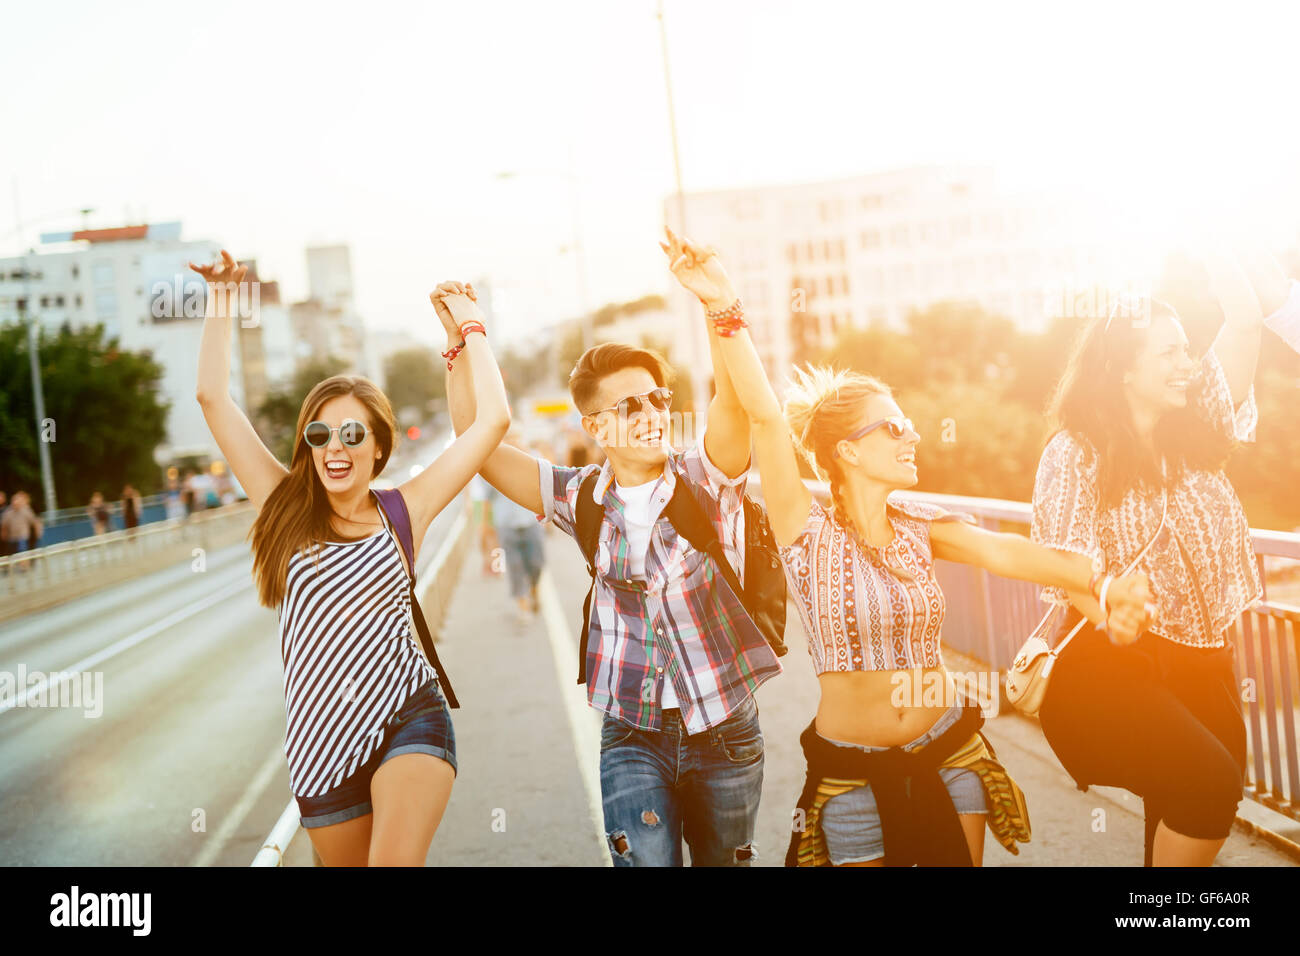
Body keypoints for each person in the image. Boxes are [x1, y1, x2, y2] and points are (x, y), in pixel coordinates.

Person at [659, 227, 1153, 867]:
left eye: (911, 424)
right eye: (894, 426)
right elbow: (764, 418)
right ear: (847, 451)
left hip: (950, 754)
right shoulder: (804, 530)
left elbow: (1008, 553)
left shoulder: (923, 524)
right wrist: (721, 306)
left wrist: (1105, 584)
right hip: (850, 776)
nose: (912, 435)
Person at [191, 250, 510, 866]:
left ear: (379, 446)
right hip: (320, 749)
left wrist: (469, 332)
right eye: (319, 434)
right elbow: (211, 397)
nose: (334, 448)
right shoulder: (285, 506)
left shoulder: (404, 509)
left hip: (408, 718)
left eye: (352, 434)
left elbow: (491, 422)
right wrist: (223, 298)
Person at [446, 273, 776, 867]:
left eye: (657, 399)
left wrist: (718, 304)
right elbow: (481, 448)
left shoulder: (706, 478)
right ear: (596, 427)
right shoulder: (583, 500)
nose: (651, 413)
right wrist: (464, 339)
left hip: (724, 728)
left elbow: (736, 402)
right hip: (631, 732)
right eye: (630, 406)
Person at [1030, 247, 1295, 867]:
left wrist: (1225, 240)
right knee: (1210, 785)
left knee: (1189, 798)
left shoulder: (1197, 429)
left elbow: (1245, 320)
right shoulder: (1076, 451)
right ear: (1122, 368)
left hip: (1208, 658)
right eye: (1169, 353)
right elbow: (1059, 560)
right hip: (1116, 661)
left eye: (1186, 349)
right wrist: (1106, 604)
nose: (1187, 364)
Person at [472, 436, 547, 620]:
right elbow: (486, 500)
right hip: (505, 524)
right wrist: (485, 527)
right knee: (514, 566)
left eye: (516, 440)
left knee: (536, 563)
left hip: (531, 522)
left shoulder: (534, 459)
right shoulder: (492, 467)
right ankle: (523, 605)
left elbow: (547, 489)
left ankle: (534, 589)